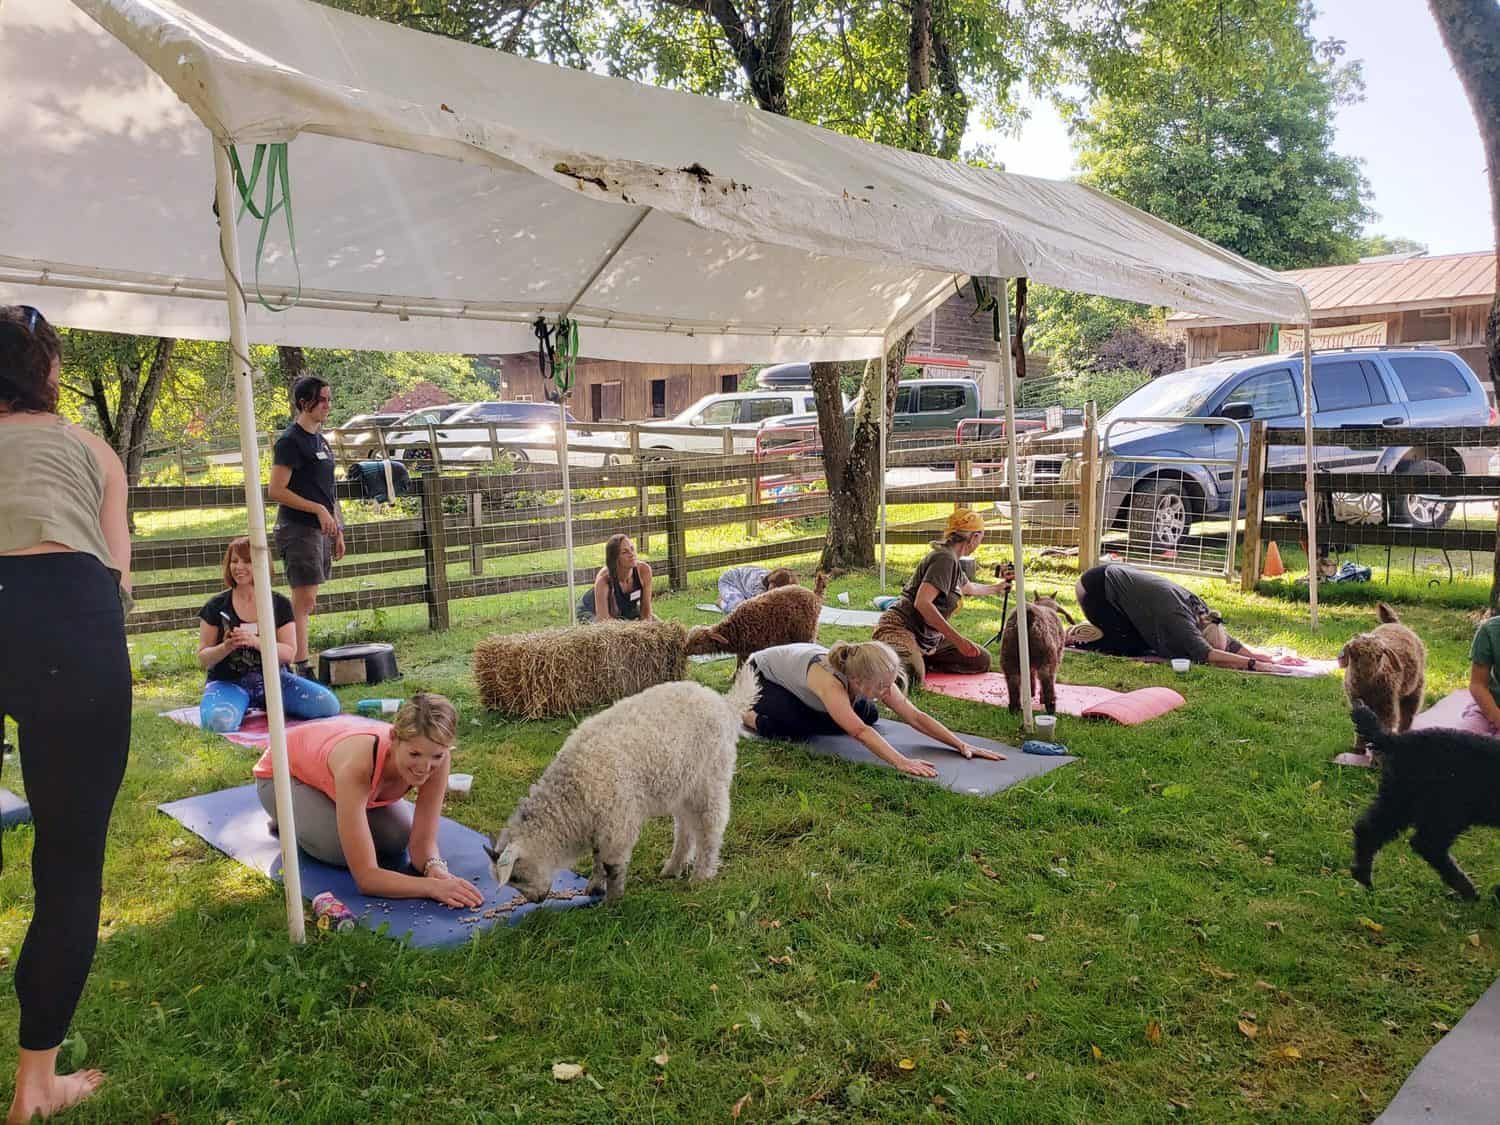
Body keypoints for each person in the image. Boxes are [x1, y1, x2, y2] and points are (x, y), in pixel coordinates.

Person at [0, 304, 131, 1121]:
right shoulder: (92, 450)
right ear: (50, 372)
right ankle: (32, 1086)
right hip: (73, 617)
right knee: (69, 862)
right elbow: (118, 568)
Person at [251, 693, 484, 909]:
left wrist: (436, 869)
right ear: (394, 738)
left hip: (333, 766)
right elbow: (366, 878)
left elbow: (422, 845)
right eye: (414, 754)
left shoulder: (437, 757)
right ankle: (286, 818)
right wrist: (432, 888)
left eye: (436, 756)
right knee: (338, 851)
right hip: (280, 775)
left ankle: (327, 810)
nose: (425, 768)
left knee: (396, 839)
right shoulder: (358, 766)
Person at [744, 641, 1005, 778]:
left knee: (869, 713)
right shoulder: (830, 682)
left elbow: (914, 716)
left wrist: (960, 744)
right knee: (798, 728)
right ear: (857, 681)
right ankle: (748, 714)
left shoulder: (870, 674)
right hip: (760, 676)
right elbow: (858, 731)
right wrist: (901, 761)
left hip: (798, 675)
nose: (886, 691)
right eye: (881, 687)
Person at [196, 537, 340, 733]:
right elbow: (203, 658)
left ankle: (266, 703)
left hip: (275, 680)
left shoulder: (279, 604)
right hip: (228, 681)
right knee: (219, 722)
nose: (239, 567)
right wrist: (225, 647)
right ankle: (240, 703)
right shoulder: (215, 606)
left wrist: (256, 642)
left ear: (262, 564)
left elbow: (289, 653)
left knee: (328, 705)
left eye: (247, 561)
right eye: (234, 561)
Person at [873, 508, 1012, 684]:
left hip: (929, 637)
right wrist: (958, 640)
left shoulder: (952, 560)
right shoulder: (944, 559)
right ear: (974, 537)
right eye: (981, 537)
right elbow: (923, 603)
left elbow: (968, 587)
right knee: (912, 675)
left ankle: (920, 655)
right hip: (902, 627)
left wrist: (998, 587)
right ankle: (898, 653)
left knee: (980, 660)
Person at [1068, 563, 1295, 670]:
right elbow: (1205, 653)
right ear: (1198, 632)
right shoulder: (1179, 619)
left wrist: (1260, 656)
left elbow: (1227, 643)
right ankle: (1081, 636)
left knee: (1148, 642)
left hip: (1115, 581)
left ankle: (1105, 629)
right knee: (1131, 647)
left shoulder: (1204, 615)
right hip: (1094, 588)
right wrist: (1253, 664)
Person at [268, 375, 344, 678]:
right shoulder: (290, 441)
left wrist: (338, 528)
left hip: (322, 529)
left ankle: (297, 660)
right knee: (304, 598)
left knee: (309, 599)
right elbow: (276, 490)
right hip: (298, 527)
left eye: (329, 398)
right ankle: (300, 664)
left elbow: (328, 489)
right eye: (321, 399)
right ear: (304, 402)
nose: (327, 405)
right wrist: (317, 510)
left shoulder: (321, 439)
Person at [578, 533, 653, 623]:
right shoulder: (604, 579)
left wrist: (645, 625)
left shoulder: (644, 571)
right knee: (606, 631)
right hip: (591, 610)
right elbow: (603, 620)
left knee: (657, 623)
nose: (632, 554)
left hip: (623, 606)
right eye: (625, 552)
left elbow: (646, 612)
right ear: (615, 558)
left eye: (632, 549)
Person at [1466, 615, 1500, 731]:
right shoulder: (1490, 630)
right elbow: (1478, 685)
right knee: (1470, 739)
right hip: (1494, 705)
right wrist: (1496, 718)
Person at [717, 564, 794, 612]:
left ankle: (730, 595)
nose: (772, 589)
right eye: (772, 584)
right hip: (729, 581)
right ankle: (720, 601)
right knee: (739, 608)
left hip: (743, 583)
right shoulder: (759, 586)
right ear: (770, 580)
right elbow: (756, 605)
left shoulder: (786, 585)